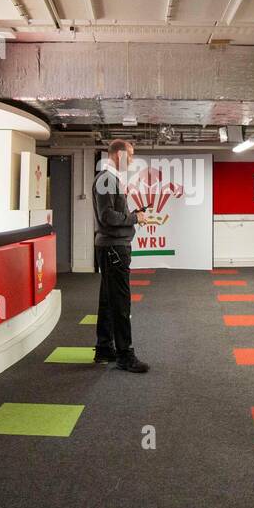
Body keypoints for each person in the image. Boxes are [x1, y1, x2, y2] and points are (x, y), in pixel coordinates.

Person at [93, 139, 149, 373]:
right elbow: (108, 217)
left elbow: (114, 214)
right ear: (119, 155)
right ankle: (125, 355)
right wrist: (135, 218)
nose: (133, 160)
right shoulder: (106, 178)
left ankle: (105, 349)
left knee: (108, 300)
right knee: (120, 302)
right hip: (114, 248)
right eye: (131, 155)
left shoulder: (110, 178)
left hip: (111, 247)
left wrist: (133, 214)